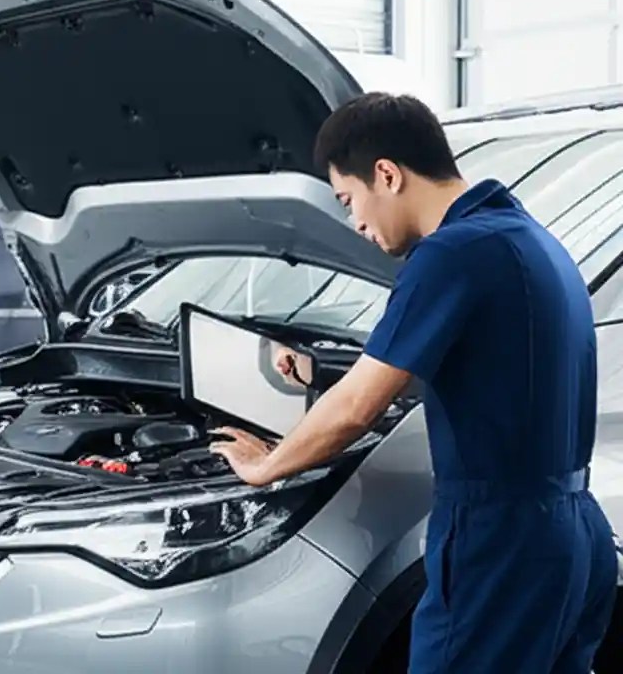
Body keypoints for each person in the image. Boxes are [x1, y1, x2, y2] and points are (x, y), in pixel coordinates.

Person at [209, 92, 617, 673]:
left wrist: (268, 465)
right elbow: (480, 367)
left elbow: (357, 409)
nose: (356, 224)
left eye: (350, 200)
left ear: (387, 174)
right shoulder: (529, 241)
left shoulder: (451, 254)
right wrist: (320, 372)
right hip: (574, 534)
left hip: (496, 545)